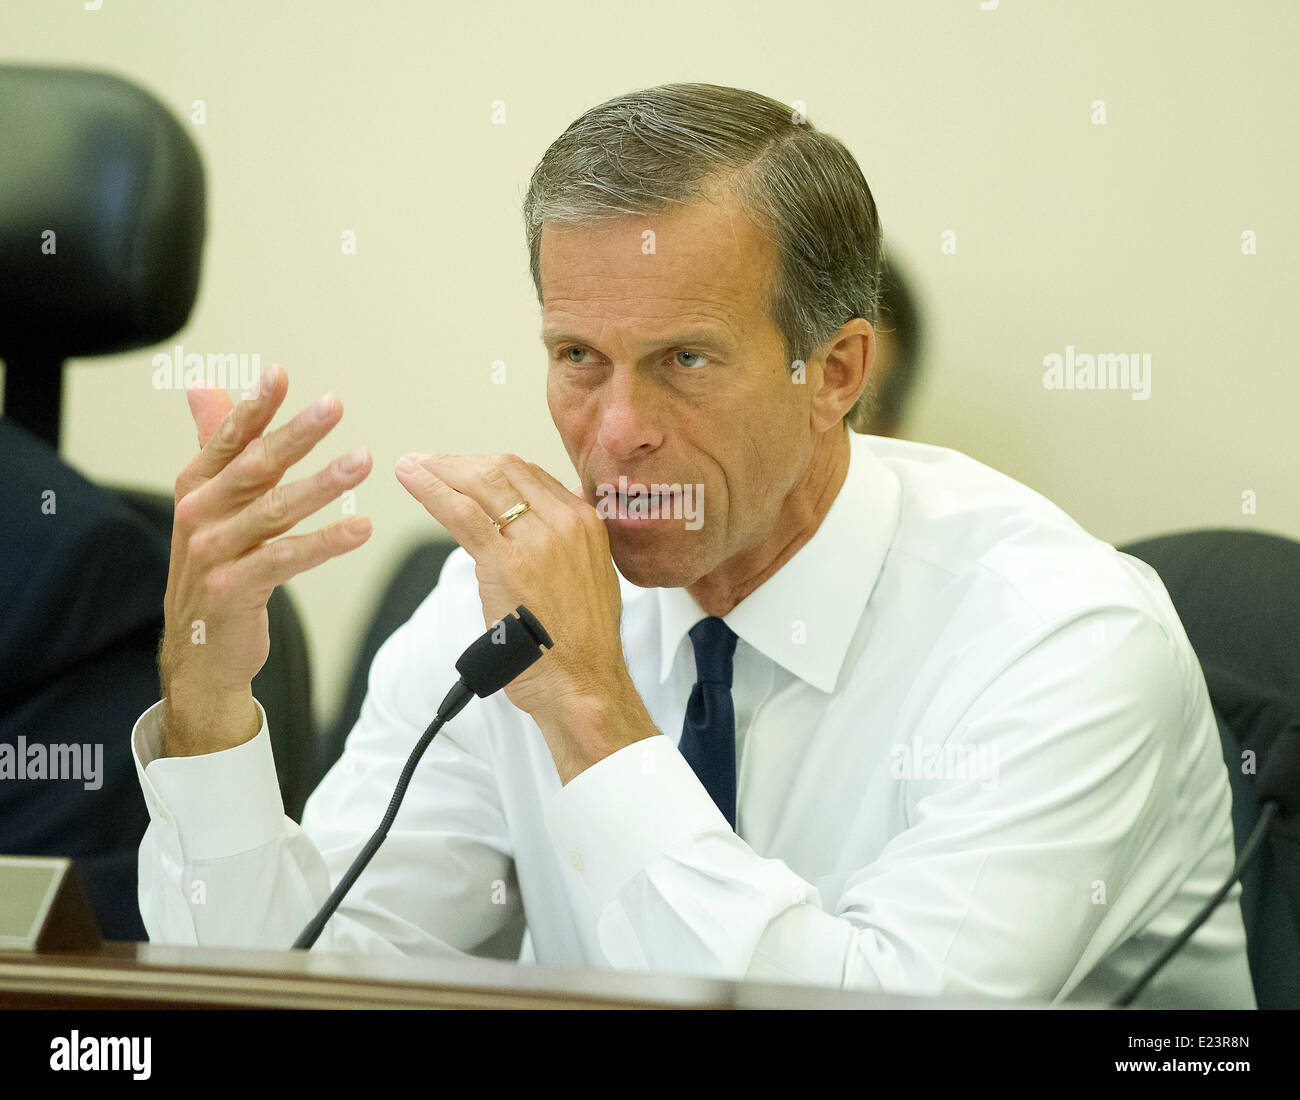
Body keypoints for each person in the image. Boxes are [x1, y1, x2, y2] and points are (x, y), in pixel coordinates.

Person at [131, 83, 1253, 1006]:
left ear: (839, 372)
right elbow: (291, 987)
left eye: (686, 361)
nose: (617, 432)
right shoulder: (489, 599)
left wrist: (593, 713)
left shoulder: (1062, 641)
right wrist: (208, 704)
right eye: (578, 356)